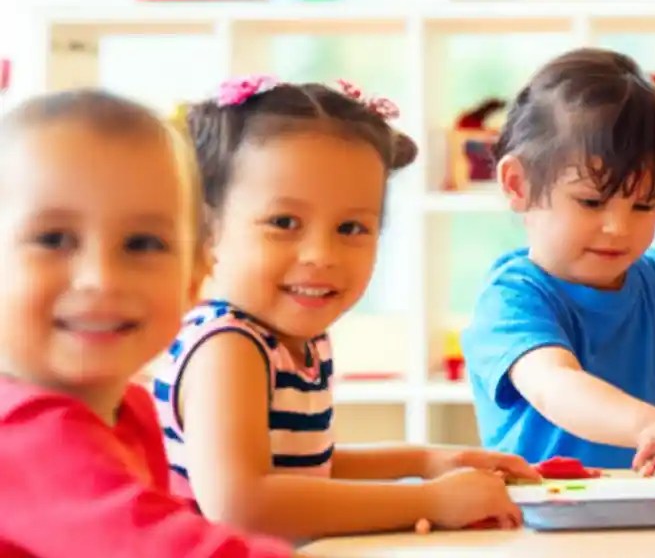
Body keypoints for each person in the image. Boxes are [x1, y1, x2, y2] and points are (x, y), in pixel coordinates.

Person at [155, 77, 534, 542]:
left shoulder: (295, 341)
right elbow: (241, 504)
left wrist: (424, 461)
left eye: (352, 227)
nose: (321, 254)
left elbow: (305, 466)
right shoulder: (228, 347)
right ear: (206, 227)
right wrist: (429, 501)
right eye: (284, 222)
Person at [0, 89, 295, 556]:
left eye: (142, 244)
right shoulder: (21, 432)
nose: (100, 278)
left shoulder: (133, 409)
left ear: (196, 276)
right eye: (53, 238)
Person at [462, 48, 655, 499]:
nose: (618, 228)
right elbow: (557, 387)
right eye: (591, 202)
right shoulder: (513, 297)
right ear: (517, 184)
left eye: (644, 205)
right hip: (546, 521)